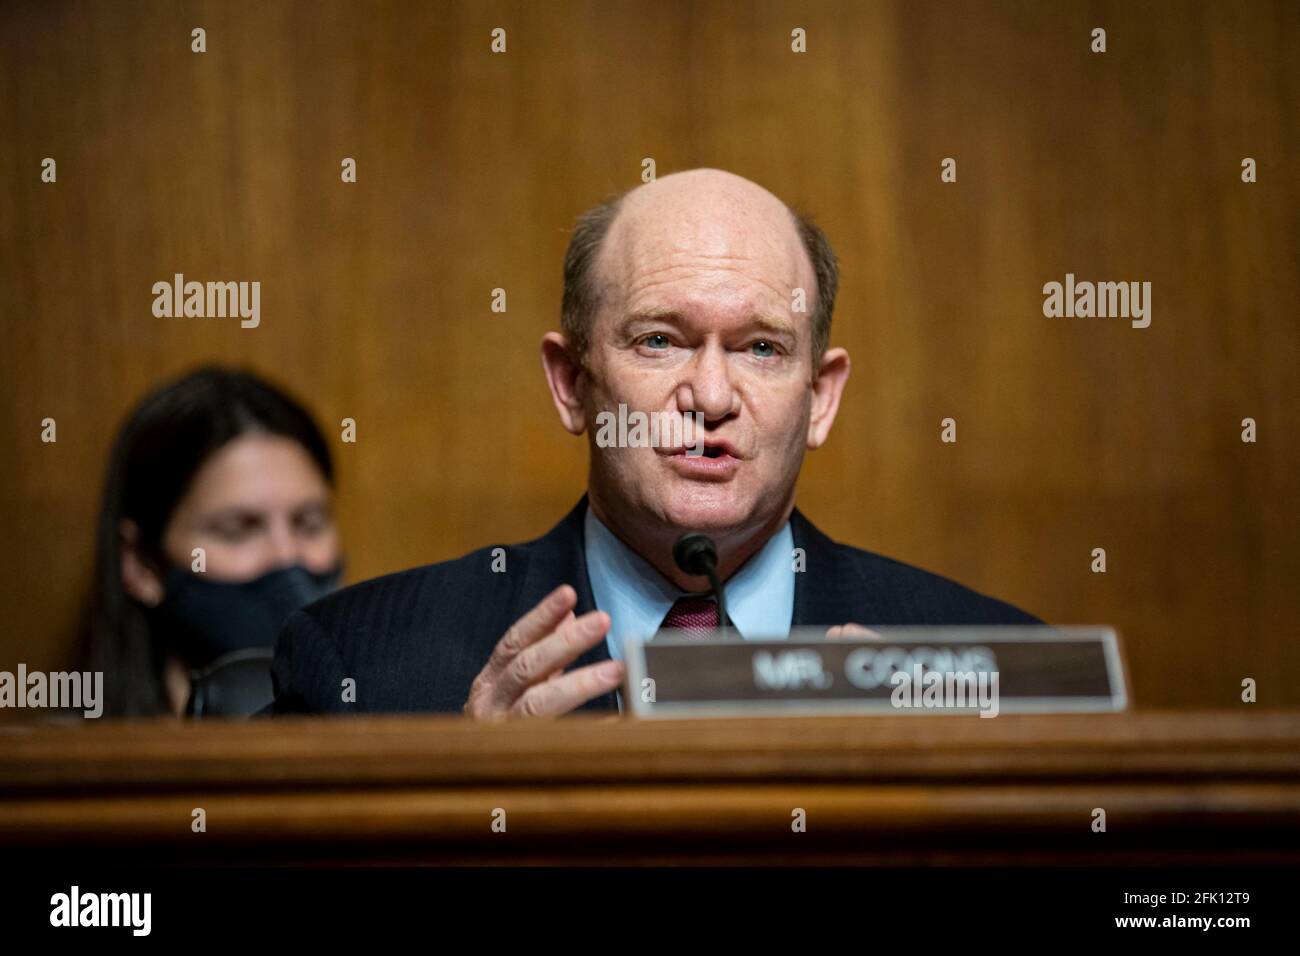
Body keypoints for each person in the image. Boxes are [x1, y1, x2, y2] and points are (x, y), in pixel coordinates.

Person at [272, 168, 1038, 720]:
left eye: (762, 350)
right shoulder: (362, 670)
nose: (710, 397)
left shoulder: (998, 673)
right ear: (572, 382)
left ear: (821, 398)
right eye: (659, 340)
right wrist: (465, 827)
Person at [84, 367, 343, 717]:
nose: (287, 557)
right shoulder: (61, 764)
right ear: (141, 564)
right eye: (237, 530)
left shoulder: (387, 748)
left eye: (309, 524)